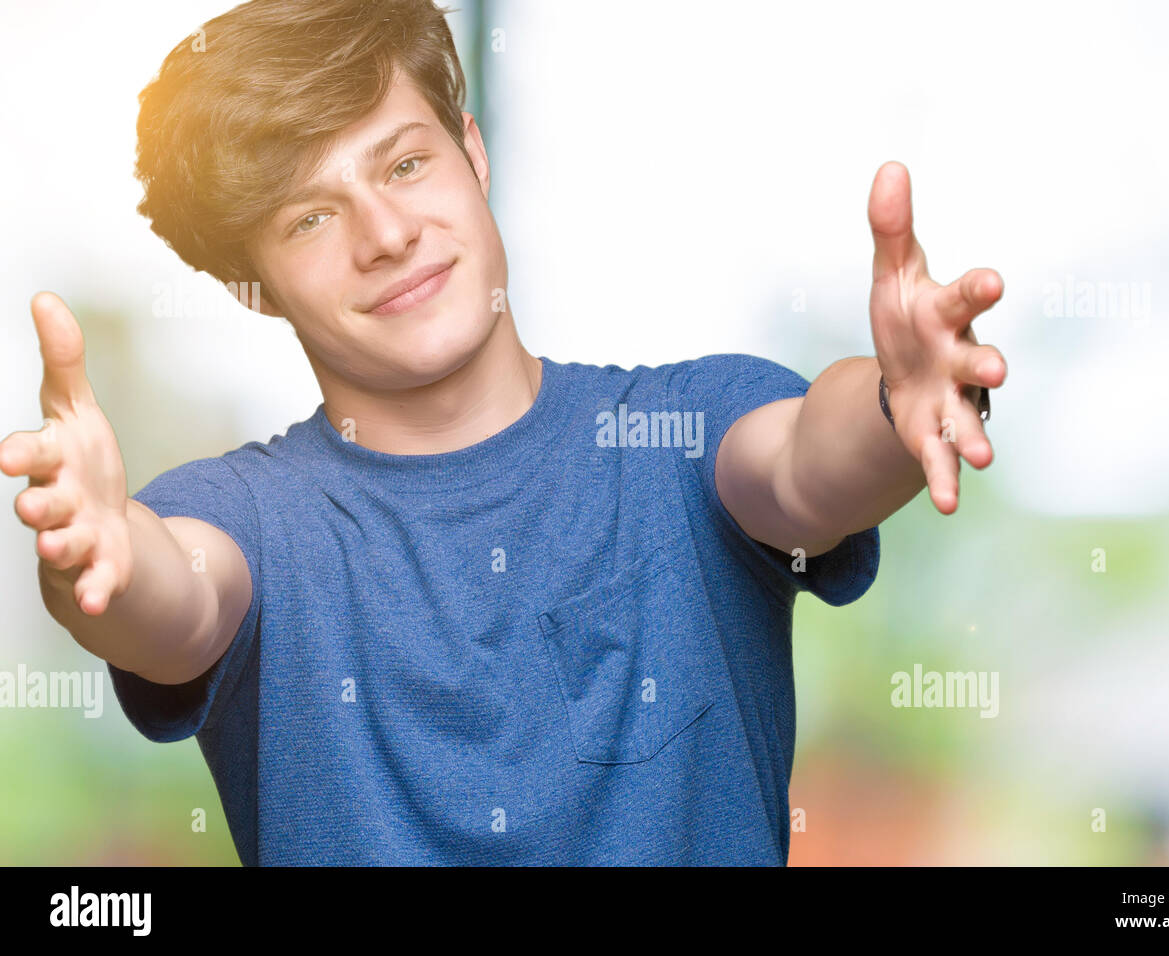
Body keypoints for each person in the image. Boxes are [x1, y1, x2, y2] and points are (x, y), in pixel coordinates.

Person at [1, 0, 1006, 865]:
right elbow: (170, 597)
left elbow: (800, 468)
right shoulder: (246, 521)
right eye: (310, 217)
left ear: (470, 152)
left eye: (404, 162)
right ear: (249, 287)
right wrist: (101, 554)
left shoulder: (683, 431)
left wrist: (892, 398)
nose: (385, 234)